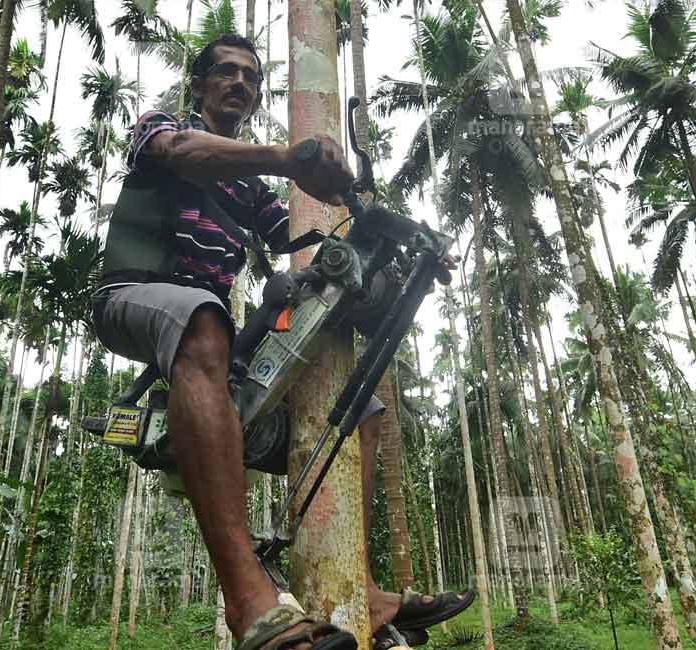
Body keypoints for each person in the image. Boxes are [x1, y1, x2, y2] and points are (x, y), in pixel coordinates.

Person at [91, 34, 472, 650]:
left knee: (365, 412)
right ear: (199, 85)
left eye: (249, 76)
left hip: (207, 335)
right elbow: (181, 152)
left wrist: (400, 249)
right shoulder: (164, 124)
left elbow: (308, 237)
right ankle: (250, 606)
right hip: (131, 297)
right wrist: (288, 155)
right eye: (225, 72)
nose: (239, 82)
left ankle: (362, 588)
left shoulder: (249, 191)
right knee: (205, 317)